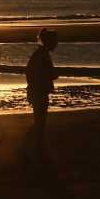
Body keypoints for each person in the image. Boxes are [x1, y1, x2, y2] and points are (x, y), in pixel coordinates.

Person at [24, 28, 59, 165]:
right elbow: (41, 73)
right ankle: (34, 148)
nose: (56, 45)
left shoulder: (40, 54)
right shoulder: (42, 55)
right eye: (55, 42)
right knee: (40, 121)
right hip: (39, 91)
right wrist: (52, 76)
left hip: (37, 91)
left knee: (40, 120)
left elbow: (31, 72)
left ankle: (33, 146)